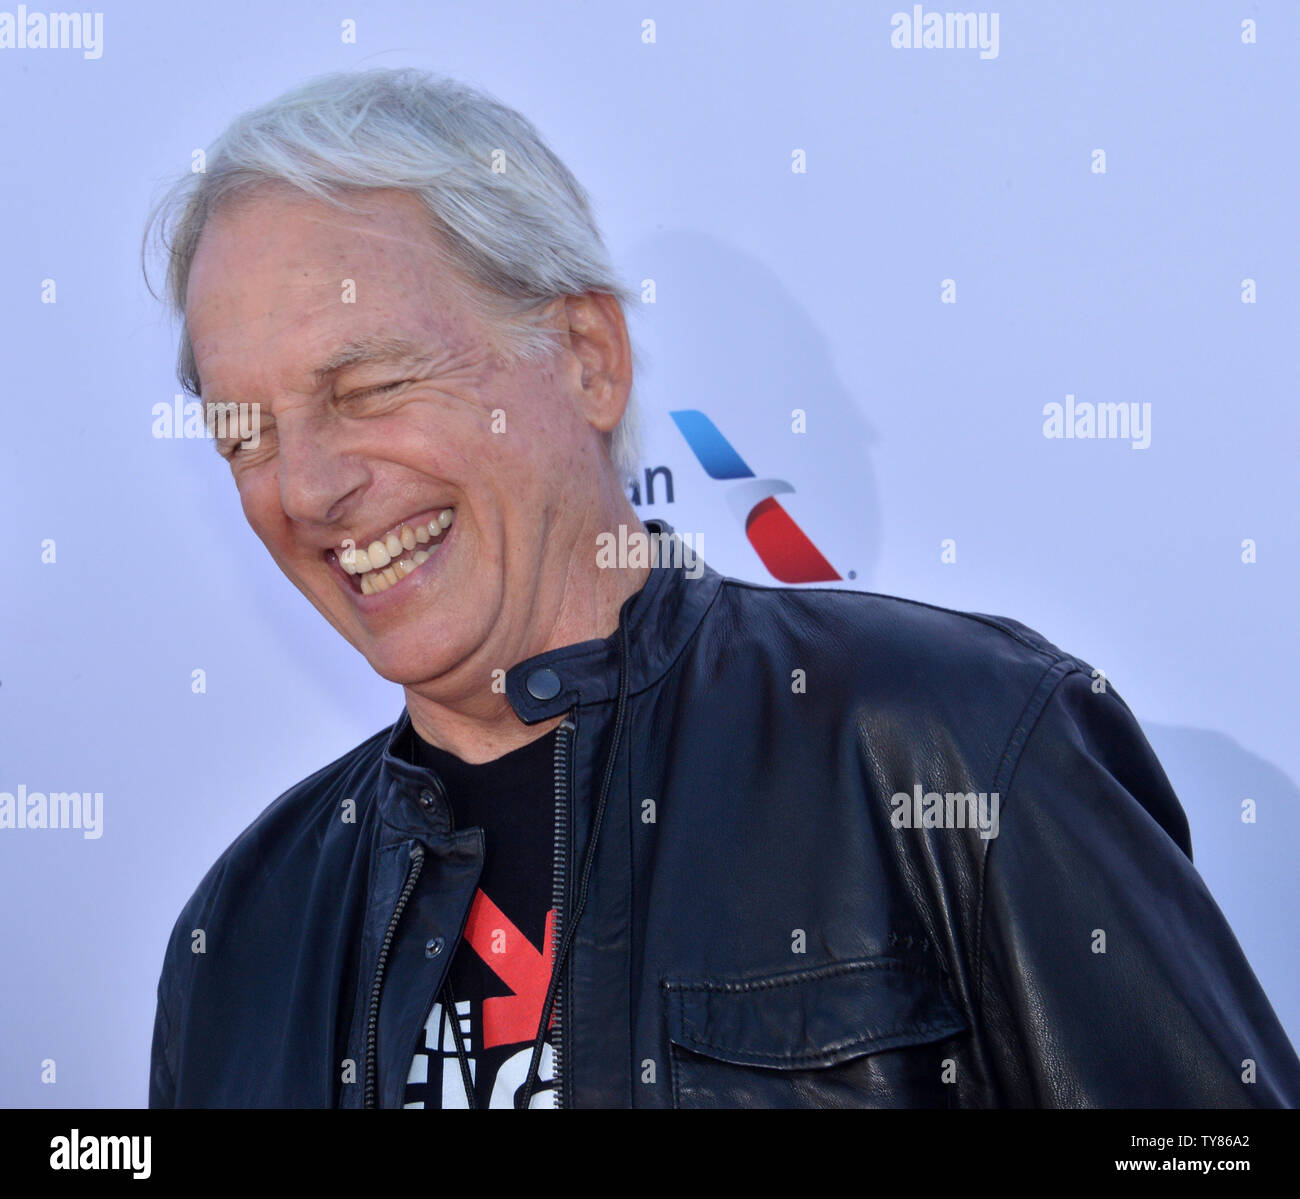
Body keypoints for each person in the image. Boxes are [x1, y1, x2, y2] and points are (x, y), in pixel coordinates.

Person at [144, 67, 1300, 1109]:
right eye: (243, 433)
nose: (305, 487)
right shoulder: (246, 925)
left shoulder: (954, 743)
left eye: (372, 386)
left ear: (588, 357)